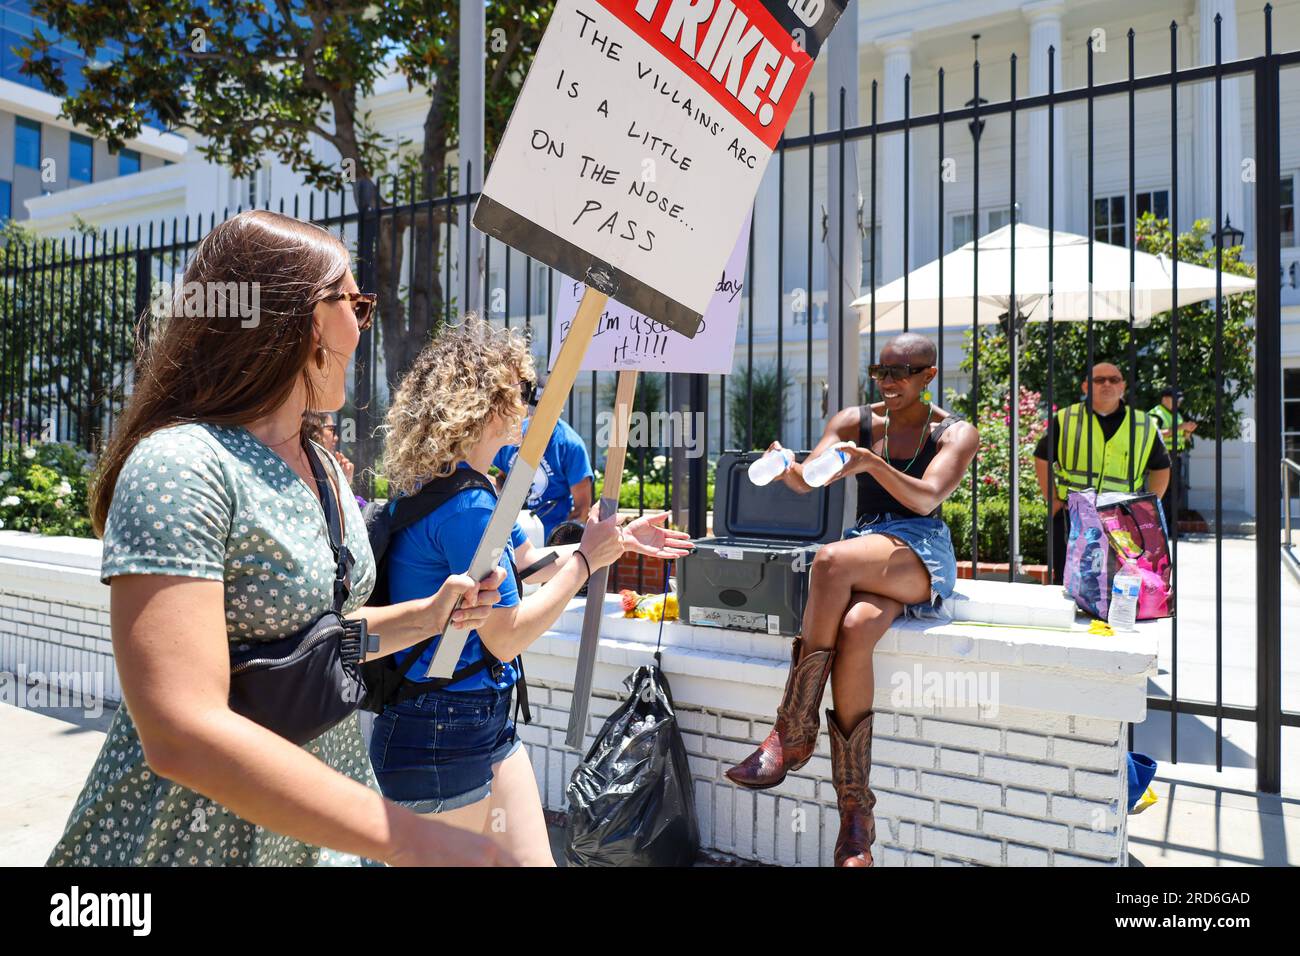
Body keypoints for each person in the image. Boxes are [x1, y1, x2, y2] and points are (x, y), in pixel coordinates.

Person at [49, 210, 515, 867]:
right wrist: (415, 837)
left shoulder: (321, 467)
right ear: (306, 318)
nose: (362, 325)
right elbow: (179, 731)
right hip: (191, 843)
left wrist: (430, 616)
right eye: (355, 302)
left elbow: (319, 640)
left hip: (313, 840)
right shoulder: (182, 465)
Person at [371, 317, 693, 866]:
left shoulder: (457, 485)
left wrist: (613, 542)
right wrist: (589, 560)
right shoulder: (471, 506)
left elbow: (525, 566)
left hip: (474, 721)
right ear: (486, 401)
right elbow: (505, 638)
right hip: (441, 729)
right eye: (523, 392)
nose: (530, 407)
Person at [724, 333, 979, 867]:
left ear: (929, 375)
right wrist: (785, 466)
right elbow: (807, 480)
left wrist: (870, 464)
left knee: (831, 561)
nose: (888, 382)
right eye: (880, 372)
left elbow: (928, 496)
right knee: (857, 629)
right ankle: (856, 819)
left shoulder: (956, 432)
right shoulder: (854, 421)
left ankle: (791, 733)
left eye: (902, 372)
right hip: (873, 548)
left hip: (920, 552)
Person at [1033, 362, 1171, 585]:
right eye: (1099, 380)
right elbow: (1042, 457)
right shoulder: (1066, 418)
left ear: (1123, 386)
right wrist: (1053, 501)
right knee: (1068, 582)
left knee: (1117, 584)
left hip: (1123, 519)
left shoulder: (1143, 424)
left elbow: (1161, 467)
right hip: (1073, 517)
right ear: (1086, 387)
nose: (1107, 384)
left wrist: (1146, 509)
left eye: (1114, 379)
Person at [492, 374, 594, 543]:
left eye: (546, 416)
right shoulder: (513, 436)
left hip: (550, 540)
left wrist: (557, 541)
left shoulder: (570, 445)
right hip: (512, 536)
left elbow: (582, 509)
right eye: (535, 414)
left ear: (558, 412)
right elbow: (503, 478)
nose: (539, 422)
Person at [1148, 387, 1196, 521]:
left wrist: (1187, 432)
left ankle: (1170, 527)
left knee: (1175, 492)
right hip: (1162, 457)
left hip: (1176, 457)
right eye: (1176, 399)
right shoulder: (1156, 413)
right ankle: (1162, 526)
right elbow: (1155, 434)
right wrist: (1181, 427)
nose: (1178, 402)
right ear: (1165, 399)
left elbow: (1183, 438)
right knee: (1163, 493)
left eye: (1180, 400)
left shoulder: (1176, 415)